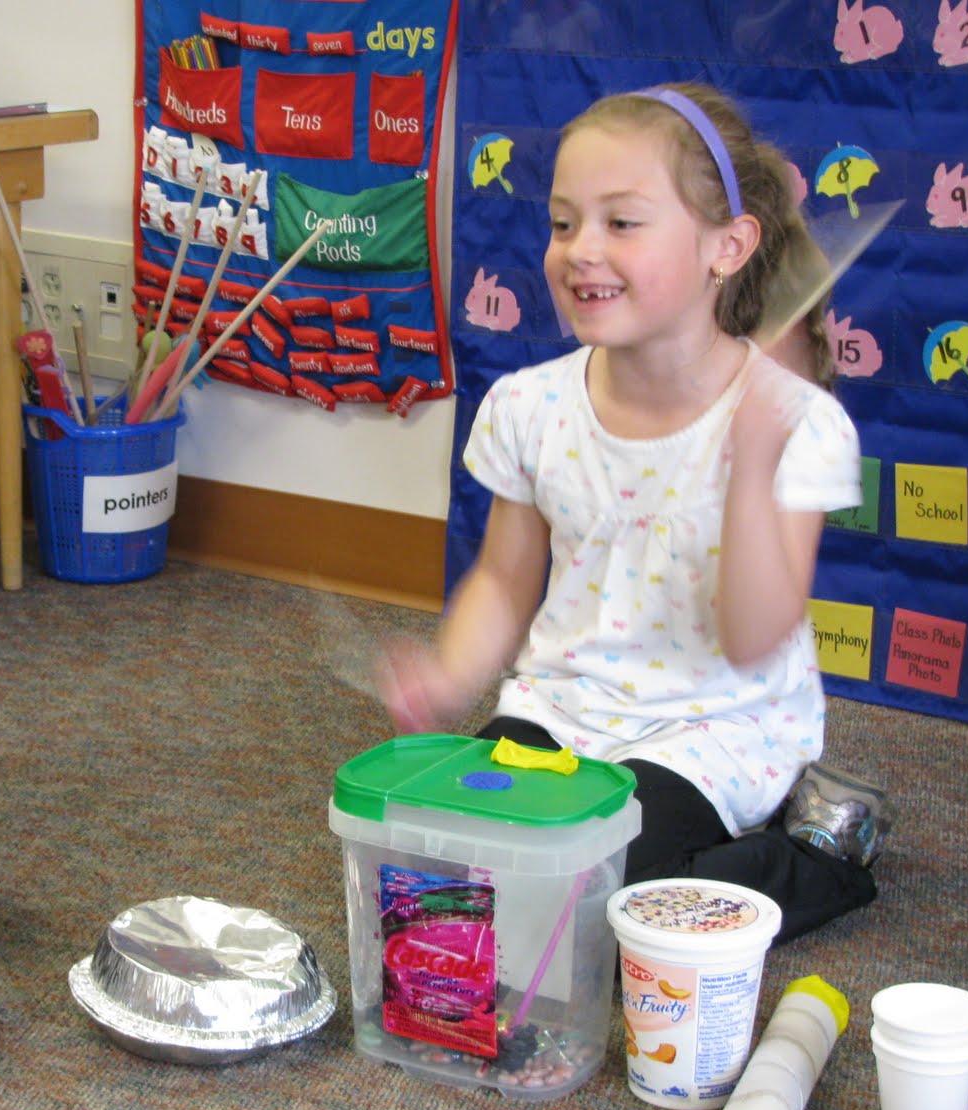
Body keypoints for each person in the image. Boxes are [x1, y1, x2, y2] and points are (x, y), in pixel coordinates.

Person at [379, 83, 888, 944]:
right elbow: (504, 579)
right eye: (563, 222)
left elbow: (754, 635)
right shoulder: (529, 405)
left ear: (728, 247)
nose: (581, 250)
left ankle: (819, 856)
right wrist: (450, 671)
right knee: (456, 881)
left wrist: (752, 465)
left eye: (621, 222)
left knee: (610, 910)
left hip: (712, 727)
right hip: (563, 708)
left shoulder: (793, 423)